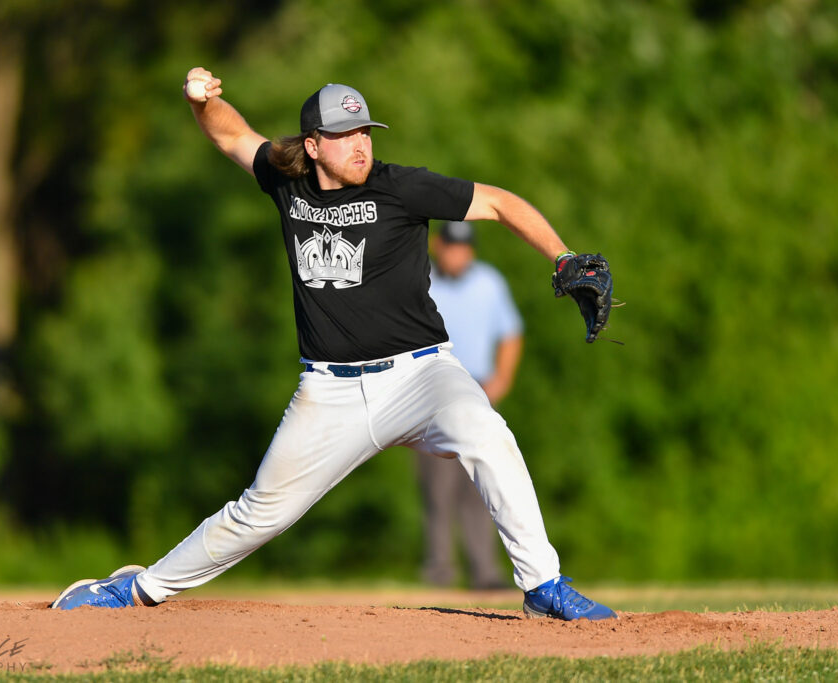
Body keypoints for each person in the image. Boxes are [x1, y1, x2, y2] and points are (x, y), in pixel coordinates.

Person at [50, 67, 617, 621]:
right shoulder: (284, 179)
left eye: (365, 132)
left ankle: (543, 584)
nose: (360, 145)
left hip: (422, 376)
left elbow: (497, 201)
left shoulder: (400, 187)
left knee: (487, 433)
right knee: (259, 515)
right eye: (345, 136)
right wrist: (201, 102)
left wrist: (563, 256)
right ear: (314, 145)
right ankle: (137, 589)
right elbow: (230, 134)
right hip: (329, 390)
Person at [418, 219, 523, 590]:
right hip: (431, 390)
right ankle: (440, 570)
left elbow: (510, 332)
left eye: (464, 248)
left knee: (484, 482)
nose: (457, 255)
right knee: (437, 488)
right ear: (437, 246)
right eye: (451, 247)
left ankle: (485, 572)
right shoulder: (422, 279)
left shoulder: (489, 282)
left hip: (477, 389)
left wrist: (503, 378)